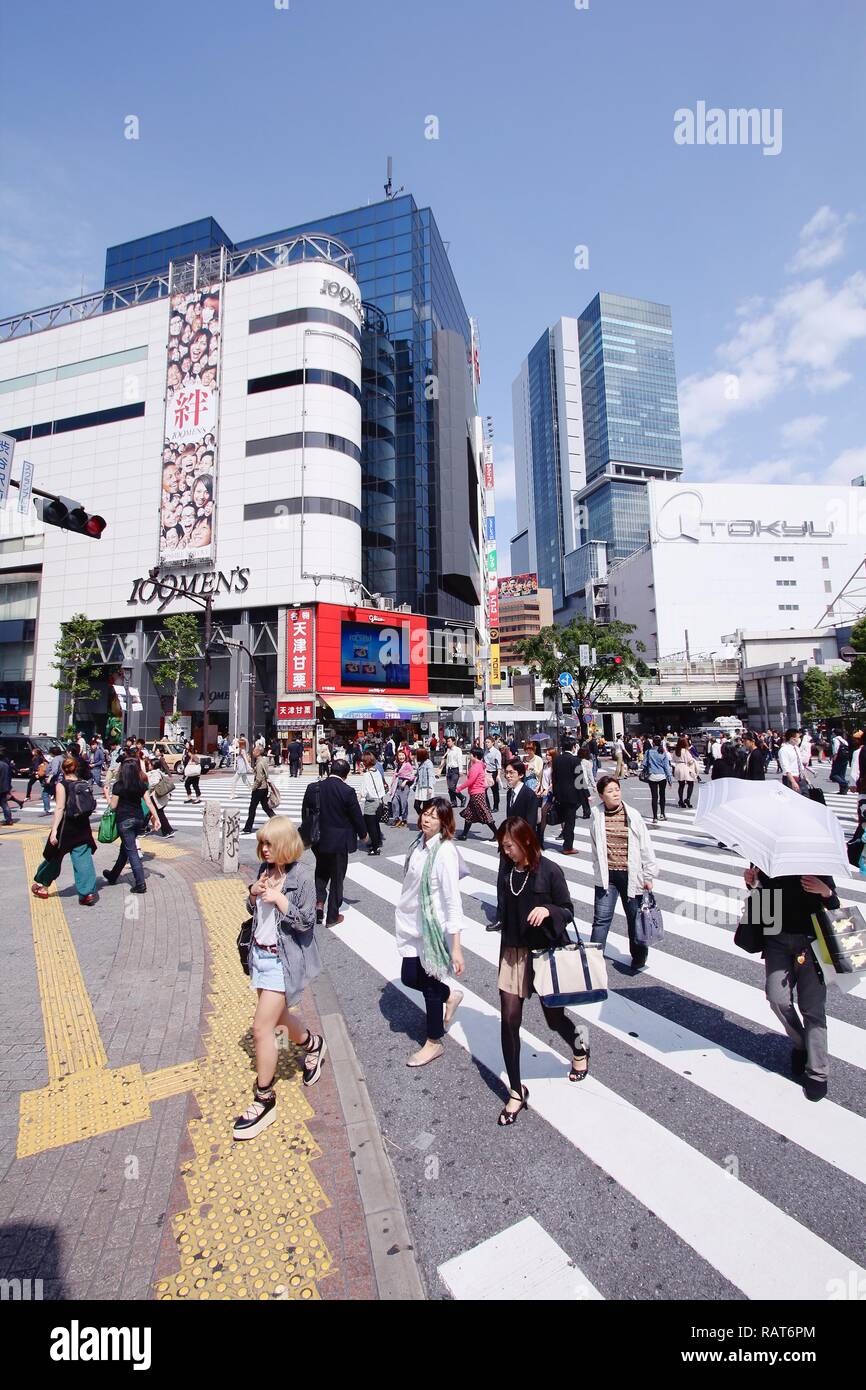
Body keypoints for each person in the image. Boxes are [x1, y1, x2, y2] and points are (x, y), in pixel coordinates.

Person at [233, 819, 326, 1140]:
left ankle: (264, 1099)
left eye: (270, 844)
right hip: (259, 956)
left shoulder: (301, 875)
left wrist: (281, 900)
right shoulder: (265, 868)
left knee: (263, 1028)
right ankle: (314, 1045)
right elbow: (253, 908)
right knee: (281, 1019)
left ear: (286, 844)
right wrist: (253, 892)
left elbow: (308, 922)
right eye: (262, 844)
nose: (264, 850)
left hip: (282, 960)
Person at [496, 817, 589, 1124]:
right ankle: (515, 1092)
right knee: (509, 1021)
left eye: (509, 846)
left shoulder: (550, 871)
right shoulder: (507, 869)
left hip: (547, 953)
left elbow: (568, 909)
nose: (506, 852)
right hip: (514, 952)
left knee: (554, 1019)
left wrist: (548, 910)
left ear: (525, 841)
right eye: (503, 847)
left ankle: (579, 1048)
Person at [742, 863, 836, 1102]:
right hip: (777, 939)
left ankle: (817, 1071)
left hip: (812, 942)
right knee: (777, 999)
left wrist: (825, 891)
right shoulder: (768, 860)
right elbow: (762, 897)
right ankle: (803, 1044)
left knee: (812, 1009)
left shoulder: (815, 859)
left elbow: (833, 904)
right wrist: (753, 883)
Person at [395, 798, 465, 1067]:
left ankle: (434, 1041)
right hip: (412, 922)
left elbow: (452, 900)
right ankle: (450, 995)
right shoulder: (419, 844)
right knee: (410, 976)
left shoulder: (445, 851)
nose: (427, 819)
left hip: (432, 929)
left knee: (428, 986)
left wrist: (456, 946)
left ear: (444, 823)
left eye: (434, 817)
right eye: (425, 814)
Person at [589, 775, 658, 973]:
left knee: (634, 917)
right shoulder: (597, 816)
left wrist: (648, 876)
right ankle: (593, 959)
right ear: (602, 796)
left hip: (631, 873)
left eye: (617, 789)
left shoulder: (633, 815)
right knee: (601, 919)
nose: (615, 793)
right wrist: (597, 869)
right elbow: (595, 847)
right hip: (607, 875)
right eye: (610, 791)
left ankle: (638, 955)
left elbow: (645, 846)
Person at [301, 759, 367, 925]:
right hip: (338, 841)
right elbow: (356, 817)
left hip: (318, 839)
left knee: (321, 871)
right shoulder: (347, 791)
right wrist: (364, 834)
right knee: (337, 877)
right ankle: (332, 916)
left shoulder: (313, 787)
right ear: (345, 775)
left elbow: (305, 813)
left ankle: (319, 903)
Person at [30, 756, 99, 905]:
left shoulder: (62, 785)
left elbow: (60, 808)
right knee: (83, 859)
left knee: (53, 856)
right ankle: (87, 893)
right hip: (82, 826)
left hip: (66, 827)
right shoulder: (83, 783)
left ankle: (44, 886)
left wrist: (54, 830)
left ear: (63, 769)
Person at [489, 761, 539, 933]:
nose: (507, 776)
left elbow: (531, 824)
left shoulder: (529, 795)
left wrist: (523, 848)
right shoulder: (511, 793)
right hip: (507, 846)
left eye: (511, 773)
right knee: (502, 882)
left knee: (522, 885)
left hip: (522, 849)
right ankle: (501, 917)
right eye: (506, 773)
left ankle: (522, 918)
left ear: (521, 774)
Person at [102, 756, 159, 893]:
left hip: (125, 821)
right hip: (138, 820)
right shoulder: (140, 784)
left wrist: (107, 795)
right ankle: (113, 875)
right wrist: (156, 818)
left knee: (131, 851)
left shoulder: (119, 785)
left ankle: (140, 883)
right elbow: (149, 802)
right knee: (126, 849)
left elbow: (114, 806)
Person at [455, 747, 498, 842]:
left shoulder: (475, 767)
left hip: (477, 793)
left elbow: (470, 781)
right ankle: (464, 835)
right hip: (477, 792)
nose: (469, 756)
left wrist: (459, 788)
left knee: (485, 813)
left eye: (471, 754)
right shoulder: (479, 765)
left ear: (475, 756)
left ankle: (497, 833)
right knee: (469, 814)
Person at [551, 737, 581, 855]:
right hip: (572, 796)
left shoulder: (557, 760)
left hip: (559, 795)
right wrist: (584, 796)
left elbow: (554, 778)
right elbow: (580, 780)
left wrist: (555, 793)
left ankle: (565, 842)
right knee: (570, 822)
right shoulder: (575, 760)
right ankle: (568, 847)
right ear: (573, 747)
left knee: (564, 819)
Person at [359, 751, 386, 855]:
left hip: (370, 803)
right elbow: (381, 787)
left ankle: (375, 848)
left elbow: (363, 791)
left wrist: (357, 799)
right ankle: (377, 842)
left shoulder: (367, 775)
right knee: (375, 825)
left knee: (370, 827)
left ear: (365, 762)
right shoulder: (377, 772)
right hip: (379, 802)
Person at [243, 746, 275, 835]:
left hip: (259, 789)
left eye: (254, 750)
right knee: (266, 807)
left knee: (252, 808)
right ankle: (276, 820)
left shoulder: (260, 763)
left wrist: (253, 788)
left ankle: (248, 827)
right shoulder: (263, 761)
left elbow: (259, 778)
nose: (253, 752)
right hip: (264, 788)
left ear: (258, 752)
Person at [642, 735, 673, 823]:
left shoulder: (648, 752)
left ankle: (655, 817)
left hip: (652, 776)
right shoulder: (662, 752)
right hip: (662, 776)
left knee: (654, 797)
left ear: (653, 743)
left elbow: (644, 764)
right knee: (662, 795)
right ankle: (662, 814)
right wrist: (669, 779)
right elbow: (666, 767)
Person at [536, 745, 556, 852]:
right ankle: (540, 837)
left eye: (549, 755)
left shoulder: (555, 766)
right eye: (546, 754)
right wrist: (540, 788)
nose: (547, 756)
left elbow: (554, 781)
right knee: (543, 814)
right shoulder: (545, 765)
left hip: (551, 793)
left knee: (550, 813)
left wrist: (548, 789)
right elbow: (542, 778)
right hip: (544, 793)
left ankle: (565, 832)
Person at [778, 728, 809, 794]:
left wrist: (805, 777)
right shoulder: (784, 750)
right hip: (791, 778)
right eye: (797, 737)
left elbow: (800, 764)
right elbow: (786, 768)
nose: (799, 739)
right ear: (792, 738)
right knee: (795, 799)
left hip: (800, 777)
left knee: (806, 797)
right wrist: (793, 782)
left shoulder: (796, 748)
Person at [390, 753, 416, 828]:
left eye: (403, 755)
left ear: (405, 756)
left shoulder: (407, 764)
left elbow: (412, 775)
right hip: (396, 785)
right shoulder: (397, 764)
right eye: (400, 755)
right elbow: (396, 775)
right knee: (394, 802)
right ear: (397, 757)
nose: (401, 757)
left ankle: (404, 820)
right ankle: (396, 819)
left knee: (403, 803)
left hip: (404, 786)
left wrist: (406, 781)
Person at [0, 745, 24, 825]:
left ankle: (9, 819)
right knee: (4, 804)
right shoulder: (5, 765)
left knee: (4, 804)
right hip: (4, 787)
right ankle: (9, 820)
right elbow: (8, 776)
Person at [672, 735, 699, 807]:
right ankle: (688, 799)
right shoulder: (685, 751)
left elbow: (673, 760)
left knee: (681, 785)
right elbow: (690, 761)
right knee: (691, 783)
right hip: (685, 767)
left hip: (678, 767)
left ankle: (680, 800)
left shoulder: (675, 751)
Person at [26, 746, 52, 815]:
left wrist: (34, 771)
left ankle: (28, 796)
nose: (32, 752)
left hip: (37, 773)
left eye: (33, 751)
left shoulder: (37, 758)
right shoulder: (41, 758)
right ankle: (51, 794)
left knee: (31, 784)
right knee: (43, 784)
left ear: (36, 753)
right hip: (40, 773)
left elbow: (36, 766)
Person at [412, 747, 436, 817]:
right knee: (416, 806)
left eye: (417, 754)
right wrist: (415, 761)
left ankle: (425, 821)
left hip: (426, 788)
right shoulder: (422, 763)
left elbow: (431, 776)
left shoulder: (428, 763)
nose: (415, 756)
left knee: (426, 808)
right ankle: (423, 819)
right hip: (420, 787)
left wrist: (430, 787)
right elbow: (418, 771)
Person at [575, 743, 594, 820]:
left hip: (576, 781)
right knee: (583, 798)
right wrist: (593, 784)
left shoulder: (575, 760)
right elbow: (590, 774)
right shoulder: (587, 763)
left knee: (582, 798)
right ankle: (586, 812)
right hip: (584, 782)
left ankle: (586, 812)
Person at [483, 736, 502, 813]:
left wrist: (498, 775)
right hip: (486, 772)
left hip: (494, 772)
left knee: (495, 791)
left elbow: (499, 765)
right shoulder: (486, 751)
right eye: (485, 742)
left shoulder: (496, 752)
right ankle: (487, 806)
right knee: (483, 790)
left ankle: (496, 806)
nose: (486, 744)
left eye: (488, 742)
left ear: (492, 743)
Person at [443, 736, 463, 807]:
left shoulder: (458, 750)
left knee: (452, 787)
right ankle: (453, 802)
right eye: (447, 741)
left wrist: (460, 770)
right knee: (449, 788)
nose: (448, 743)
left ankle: (462, 797)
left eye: (449, 741)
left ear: (453, 742)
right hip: (449, 770)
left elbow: (459, 760)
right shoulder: (448, 750)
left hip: (455, 770)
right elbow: (447, 762)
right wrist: (446, 772)